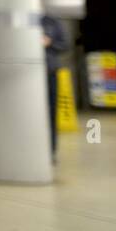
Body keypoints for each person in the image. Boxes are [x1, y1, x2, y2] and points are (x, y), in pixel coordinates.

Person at [41, 14, 69, 158]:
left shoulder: (52, 22)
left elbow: (64, 45)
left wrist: (49, 42)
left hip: (49, 73)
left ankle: (51, 151)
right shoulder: (22, 21)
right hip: (25, 78)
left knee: (51, 113)